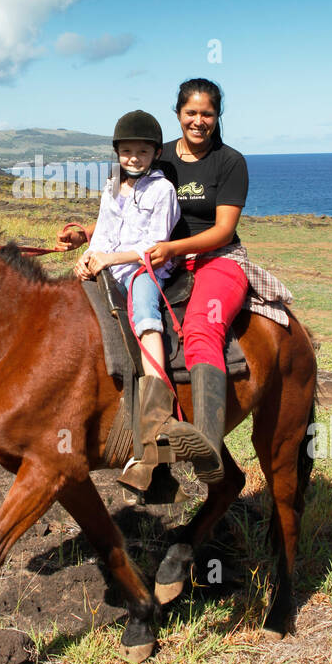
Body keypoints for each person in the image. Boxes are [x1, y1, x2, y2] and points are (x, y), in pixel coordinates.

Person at [59, 78, 250, 489]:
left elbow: (221, 231)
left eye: (207, 114)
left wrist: (168, 247)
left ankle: (208, 446)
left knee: (200, 327)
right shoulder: (158, 163)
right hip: (158, 256)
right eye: (191, 113)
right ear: (179, 114)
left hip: (213, 258)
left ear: (217, 118)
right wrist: (87, 236)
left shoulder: (230, 162)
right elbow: (126, 219)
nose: (199, 121)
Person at [73, 109, 214, 494]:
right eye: (126, 150)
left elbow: (151, 247)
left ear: (154, 153)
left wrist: (110, 260)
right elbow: (102, 233)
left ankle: (156, 416)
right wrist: (88, 258)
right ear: (117, 151)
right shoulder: (112, 185)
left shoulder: (162, 190)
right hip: (109, 267)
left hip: (144, 270)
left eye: (142, 151)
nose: (133, 157)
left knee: (143, 311)